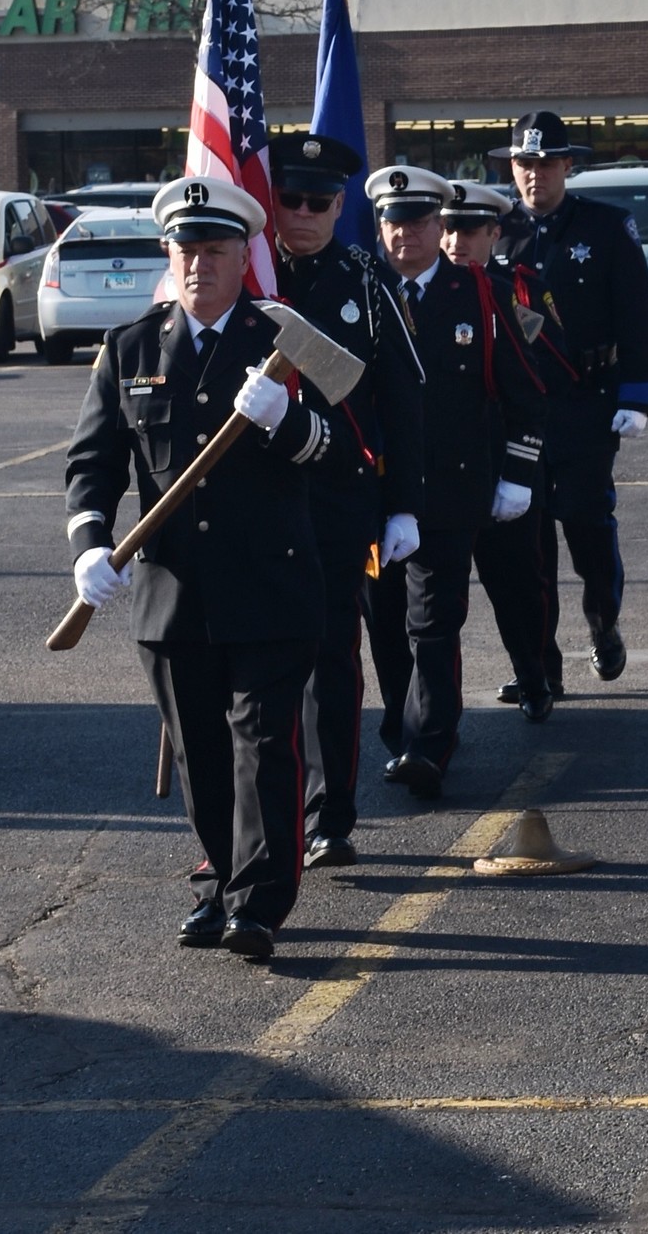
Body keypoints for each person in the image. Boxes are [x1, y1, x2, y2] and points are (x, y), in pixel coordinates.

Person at [63, 176, 345, 961]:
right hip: (173, 593)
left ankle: (257, 902)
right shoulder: (130, 348)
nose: (198, 265)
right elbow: (92, 462)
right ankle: (217, 882)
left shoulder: (284, 342)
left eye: (215, 251)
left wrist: (287, 419)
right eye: (185, 250)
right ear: (168, 254)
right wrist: (90, 542)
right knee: (200, 751)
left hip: (270, 586)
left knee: (262, 743)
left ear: (242, 256)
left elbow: (341, 453)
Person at [267, 131, 425, 869]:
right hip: (253, 503)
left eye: (318, 202)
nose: (301, 212)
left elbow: (403, 397)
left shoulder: (366, 280)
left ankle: (330, 815)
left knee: (332, 660)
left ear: (338, 208)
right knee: (255, 667)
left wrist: (403, 505)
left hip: (336, 503)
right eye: (288, 197)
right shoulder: (248, 273)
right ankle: (257, 818)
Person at [365, 165, 545, 796]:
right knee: (385, 623)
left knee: (433, 621)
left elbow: (526, 389)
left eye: (416, 221)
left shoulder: (481, 294)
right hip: (376, 493)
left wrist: (516, 473)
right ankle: (401, 729)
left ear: (438, 224)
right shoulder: (361, 293)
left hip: (451, 488)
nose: (404, 234)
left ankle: (430, 744)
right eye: (392, 222)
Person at [490, 111, 648, 691]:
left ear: (567, 166)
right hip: (517, 408)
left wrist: (637, 394)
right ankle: (540, 669)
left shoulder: (606, 227)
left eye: (546, 164)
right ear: (513, 167)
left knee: (584, 523)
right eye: (524, 164)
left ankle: (603, 623)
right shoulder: (494, 231)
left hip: (587, 400)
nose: (534, 175)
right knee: (527, 541)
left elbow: (637, 315)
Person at [441, 178, 576, 723]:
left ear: (494, 233)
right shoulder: (414, 291)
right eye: (447, 228)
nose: (456, 241)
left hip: (504, 458)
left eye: (469, 230)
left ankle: (534, 670)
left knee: (519, 580)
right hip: (443, 465)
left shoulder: (518, 289)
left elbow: (557, 367)